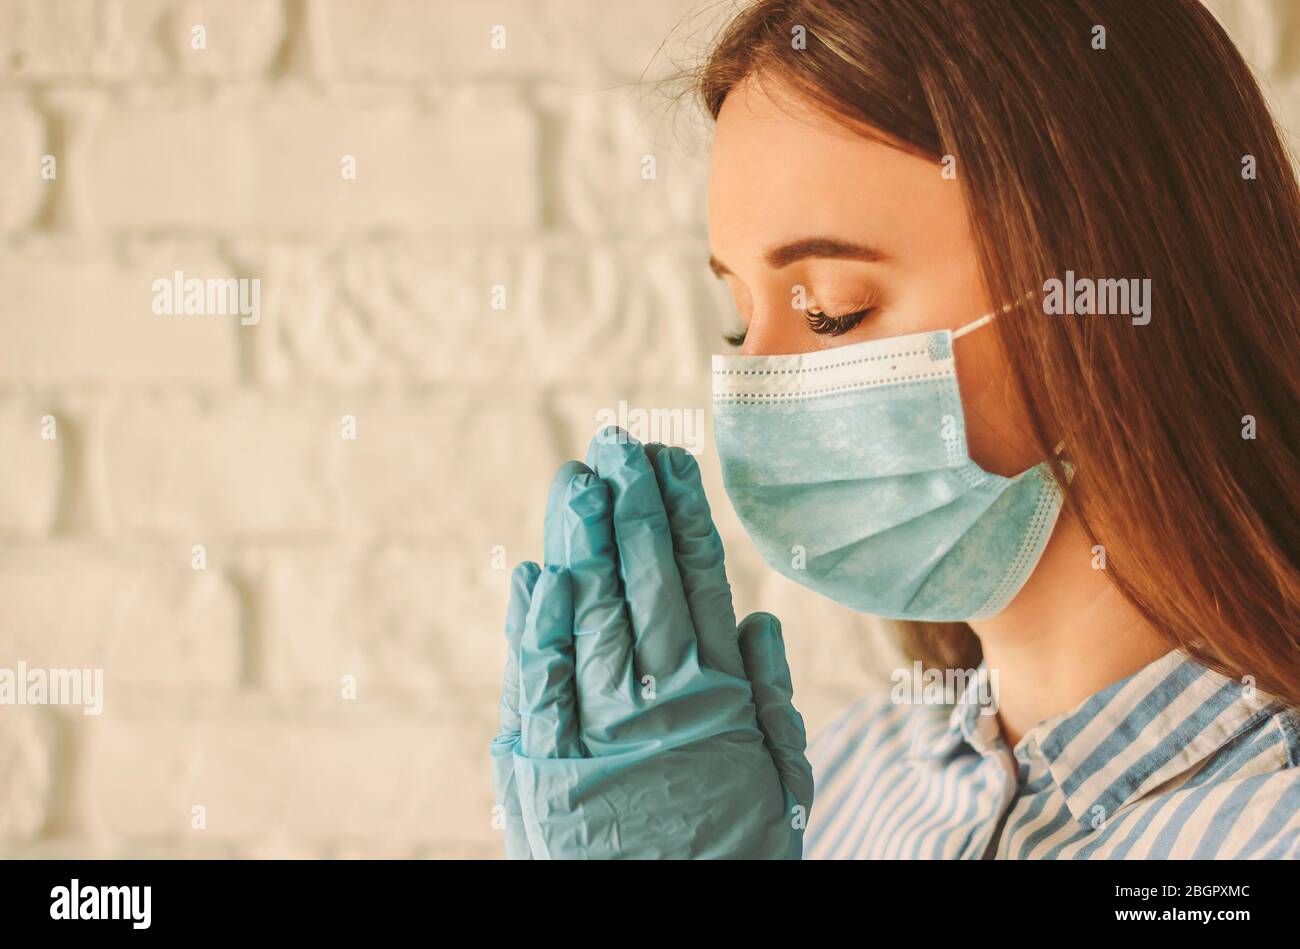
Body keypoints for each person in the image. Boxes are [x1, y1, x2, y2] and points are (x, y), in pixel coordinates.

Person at [491, 0, 1300, 859]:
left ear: (1100, 295)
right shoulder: (840, 775)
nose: (758, 377)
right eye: (739, 320)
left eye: (835, 313)